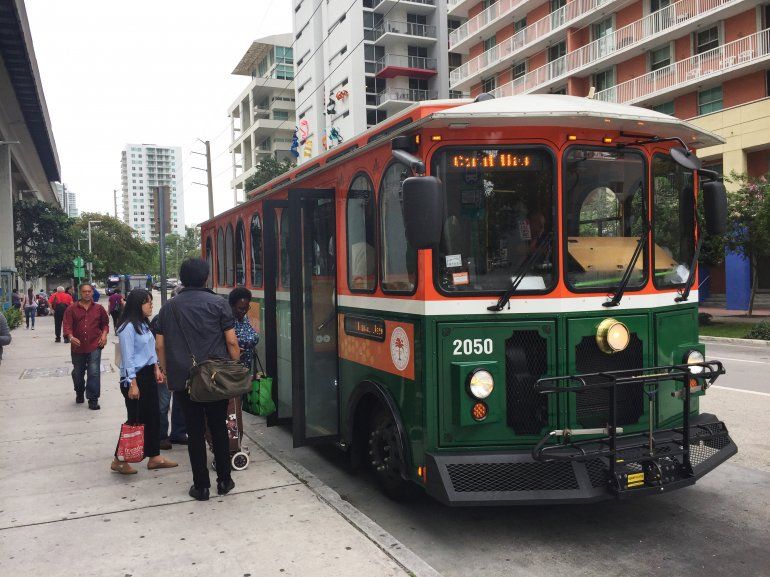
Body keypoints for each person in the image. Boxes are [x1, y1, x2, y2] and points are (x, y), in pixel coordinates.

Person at [155, 258, 240, 501]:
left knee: (194, 431)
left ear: (182, 279)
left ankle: (201, 486)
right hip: (215, 377)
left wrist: (167, 370)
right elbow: (232, 341)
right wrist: (233, 367)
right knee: (218, 428)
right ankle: (225, 480)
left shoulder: (168, 307)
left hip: (185, 379)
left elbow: (160, 345)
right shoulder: (218, 304)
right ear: (205, 278)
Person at [111, 289, 178, 475]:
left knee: (153, 417)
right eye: (147, 302)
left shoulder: (144, 324)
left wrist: (157, 367)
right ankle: (119, 460)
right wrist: (132, 383)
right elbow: (128, 358)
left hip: (148, 375)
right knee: (135, 419)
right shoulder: (127, 327)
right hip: (134, 378)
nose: (151, 305)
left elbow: (150, 350)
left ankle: (154, 457)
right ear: (137, 304)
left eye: (150, 301)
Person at [63, 283, 109, 409]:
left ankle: (93, 399)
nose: (87, 293)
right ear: (80, 293)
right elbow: (67, 326)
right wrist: (71, 337)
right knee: (78, 373)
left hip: (95, 344)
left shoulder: (99, 308)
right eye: (84, 291)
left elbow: (105, 324)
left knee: (94, 372)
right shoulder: (71, 309)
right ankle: (79, 391)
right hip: (77, 347)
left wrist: (104, 335)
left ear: (92, 292)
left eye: (89, 291)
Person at [229, 287, 259, 369]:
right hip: (233, 370)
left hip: (247, 367)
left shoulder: (244, 318)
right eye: (241, 308)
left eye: (246, 308)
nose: (244, 311)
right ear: (232, 306)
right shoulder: (227, 320)